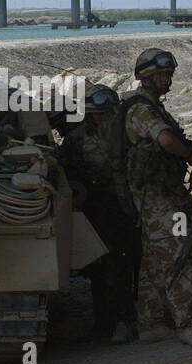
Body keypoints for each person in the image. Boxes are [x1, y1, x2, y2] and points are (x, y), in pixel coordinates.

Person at [122, 48, 192, 347]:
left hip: (157, 198)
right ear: (147, 77)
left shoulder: (149, 106)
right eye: (162, 75)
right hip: (158, 200)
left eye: (169, 74)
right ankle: (187, 325)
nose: (168, 79)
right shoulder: (142, 110)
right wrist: (188, 153)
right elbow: (164, 139)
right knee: (179, 256)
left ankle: (151, 323)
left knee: (152, 261)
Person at [56, 85, 138, 343]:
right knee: (105, 268)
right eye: (96, 114)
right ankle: (110, 322)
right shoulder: (77, 139)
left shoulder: (128, 133)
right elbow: (67, 178)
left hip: (131, 205)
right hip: (99, 210)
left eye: (106, 113)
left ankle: (142, 318)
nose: (101, 119)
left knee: (137, 261)